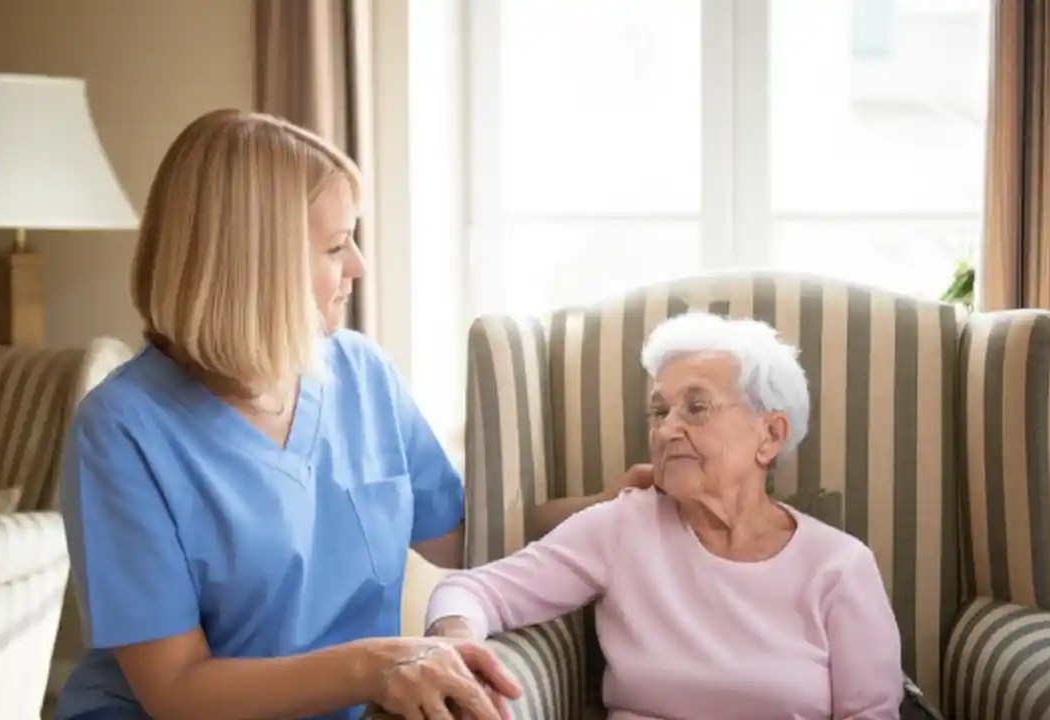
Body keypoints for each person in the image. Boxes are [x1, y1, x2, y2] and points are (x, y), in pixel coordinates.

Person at [55, 110, 522, 720]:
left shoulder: (363, 374)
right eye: (335, 246)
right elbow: (177, 690)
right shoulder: (121, 430)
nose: (357, 265)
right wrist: (372, 666)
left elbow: (468, 539)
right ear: (256, 267)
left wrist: (616, 508)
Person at [425, 313, 906, 720]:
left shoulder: (839, 567)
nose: (668, 429)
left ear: (770, 435)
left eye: (696, 407)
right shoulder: (621, 528)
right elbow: (471, 590)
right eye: (659, 411)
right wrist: (456, 643)